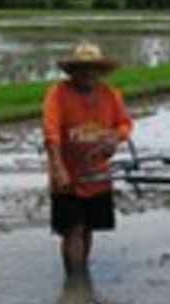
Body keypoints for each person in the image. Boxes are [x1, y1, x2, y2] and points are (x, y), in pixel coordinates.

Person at [43, 42, 133, 277]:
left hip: (97, 174)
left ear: (100, 71)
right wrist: (58, 168)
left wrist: (114, 138)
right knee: (73, 229)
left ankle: (82, 274)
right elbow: (50, 133)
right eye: (83, 69)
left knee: (88, 228)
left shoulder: (110, 95)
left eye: (94, 69)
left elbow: (125, 124)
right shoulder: (58, 94)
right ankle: (75, 282)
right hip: (68, 174)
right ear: (73, 71)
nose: (89, 74)